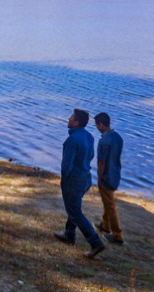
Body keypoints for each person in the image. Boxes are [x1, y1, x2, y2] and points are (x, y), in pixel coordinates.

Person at [54, 108, 106, 259]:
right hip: (86, 178)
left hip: (74, 181)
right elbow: (90, 156)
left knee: (75, 212)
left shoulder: (72, 140)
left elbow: (66, 167)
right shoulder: (89, 137)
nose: (68, 119)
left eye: (71, 117)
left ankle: (95, 243)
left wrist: (64, 180)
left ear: (76, 122)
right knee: (74, 208)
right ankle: (69, 234)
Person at [93, 112, 124, 245]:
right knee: (108, 201)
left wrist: (99, 179)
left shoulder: (104, 141)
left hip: (106, 176)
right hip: (116, 173)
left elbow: (101, 162)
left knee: (110, 205)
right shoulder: (118, 137)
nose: (96, 127)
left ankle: (117, 235)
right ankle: (105, 225)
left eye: (97, 125)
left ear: (101, 125)